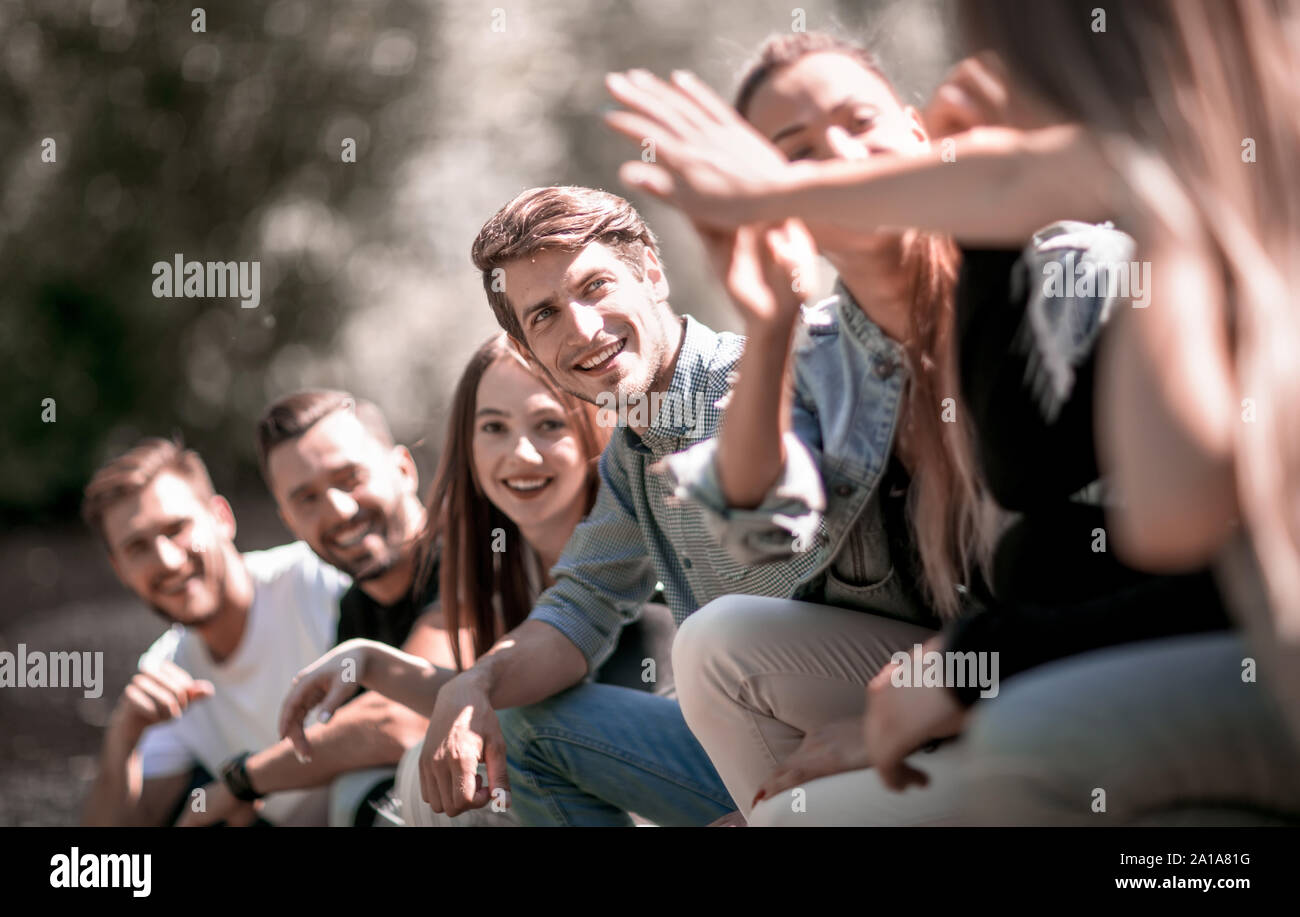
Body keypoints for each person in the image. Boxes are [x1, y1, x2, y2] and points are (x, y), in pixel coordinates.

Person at [407, 184, 852, 826]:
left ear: (650, 272)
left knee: (712, 639)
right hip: (755, 749)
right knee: (524, 726)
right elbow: (580, 606)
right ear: (530, 350)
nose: (582, 330)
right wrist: (470, 683)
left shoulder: (769, 379)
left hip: (878, 718)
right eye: (545, 315)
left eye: (594, 287)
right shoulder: (630, 453)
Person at [280, 334, 677, 826]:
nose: (521, 454)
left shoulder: (634, 542)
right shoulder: (495, 559)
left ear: (590, 430)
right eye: (494, 427)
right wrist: (368, 661)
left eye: (548, 424)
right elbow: (493, 696)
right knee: (405, 781)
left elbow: (572, 725)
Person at [175, 391, 442, 827]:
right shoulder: (357, 605)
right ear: (289, 521)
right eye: (307, 498)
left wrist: (242, 781)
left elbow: (404, 717)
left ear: (403, 469)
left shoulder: (467, 553)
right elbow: (350, 757)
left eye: (350, 477)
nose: (339, 510)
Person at [80, 438, 349, 826]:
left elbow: (399, 724)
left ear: (221, 517)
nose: (168, 560)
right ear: (120, 569)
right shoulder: (166, 670)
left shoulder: (314, 581)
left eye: (177, 529)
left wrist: (240, 786)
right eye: (138, 547)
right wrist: (123, 740)